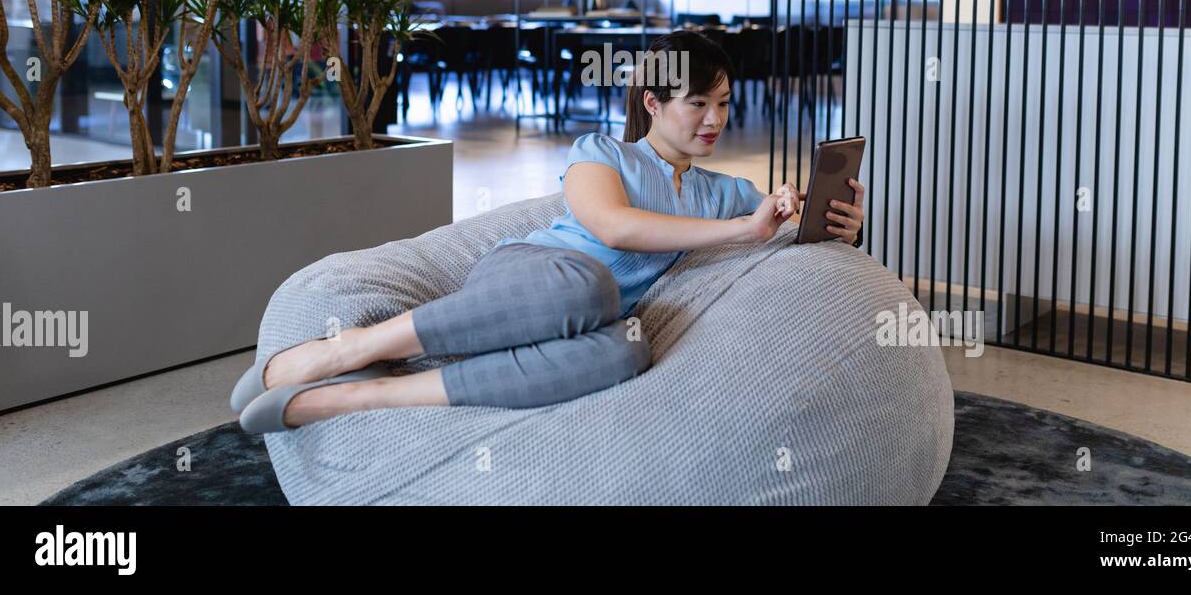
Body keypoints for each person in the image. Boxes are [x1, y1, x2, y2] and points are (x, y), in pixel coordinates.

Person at [233, 30, 865, 433]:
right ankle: (348, 348)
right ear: (652, 102)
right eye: (697, 103)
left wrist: (837, 222)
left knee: (626, 351)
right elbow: (612, 227)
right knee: (592, 287)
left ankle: (355, 398)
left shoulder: (725, 192)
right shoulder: (602, 152)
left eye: (722, 104)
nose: (714, 120)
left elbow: (783, 231)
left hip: (592, 319)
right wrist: (739, 229)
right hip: (532, 276)